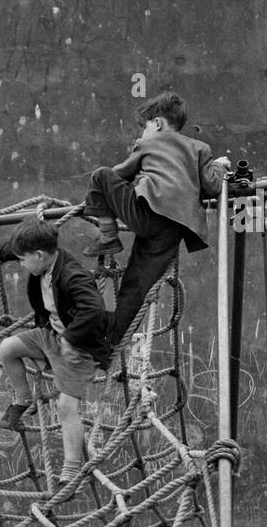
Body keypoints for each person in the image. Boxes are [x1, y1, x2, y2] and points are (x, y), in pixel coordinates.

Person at [83, 91, 226, 350]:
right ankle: (114, 337)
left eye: (145, 126)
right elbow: (213, 186)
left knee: (100, 176)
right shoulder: (200, 148)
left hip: (147, 214)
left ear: (157, 123)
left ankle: (108, 235)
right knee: (138, 285)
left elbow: (118, 175)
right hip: (173, 230)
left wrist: (113, 197)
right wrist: (219, 166)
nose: (143, 132)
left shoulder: (148, 144)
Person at [0, 219, 111, 485]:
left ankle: (71, 470)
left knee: (66, 407)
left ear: (39, 255)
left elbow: (94, 310)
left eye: (22, 260)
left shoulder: (72, 275)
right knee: (7, 348)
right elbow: (19, 250)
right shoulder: (42, 258)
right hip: (51, 335)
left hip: (79, 347)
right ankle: (23, 399)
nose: (21, 264)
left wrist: (71, 339)